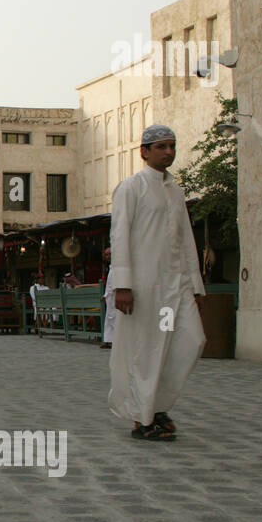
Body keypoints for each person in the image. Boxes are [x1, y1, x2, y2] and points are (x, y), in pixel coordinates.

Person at [108, 124, 206, 442]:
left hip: (176, 284)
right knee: (145, 350)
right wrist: (123, 284)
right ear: (144, 152)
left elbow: (186, 239)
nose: (168, 152)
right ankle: (142, 416)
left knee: (191, 340)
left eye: (172, 146)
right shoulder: (130, 188)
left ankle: (158, 405)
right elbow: (119, 235)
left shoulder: (175, 190)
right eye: (161, 146)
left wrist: (194, 284)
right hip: (143, 285)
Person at [100, 247, 116, 349]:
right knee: (109, 319)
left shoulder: (116, 267)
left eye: (109, 254)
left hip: (114, 296)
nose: (108, 257)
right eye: (106, 255)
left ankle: (114, 340)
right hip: (109, 298)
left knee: (114, 319)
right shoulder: (110, 267)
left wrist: (106, 295)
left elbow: (113, 284)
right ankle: (108, 340)